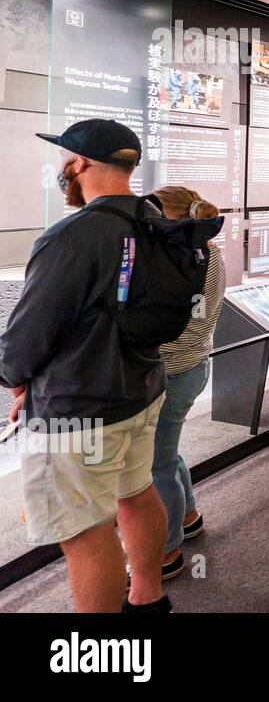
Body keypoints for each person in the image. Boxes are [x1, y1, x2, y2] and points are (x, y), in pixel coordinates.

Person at [0, 119, 171, 612]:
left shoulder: (71, 237)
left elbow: (31, 333)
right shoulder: (156, 221)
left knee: (82, 530)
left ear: (80, 164)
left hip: (77, 409)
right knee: (135, 493)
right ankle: (149, 598)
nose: (61, 169)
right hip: (140, 390)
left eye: (63, 160)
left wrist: (14, 378)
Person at [149, 186, 225, 582]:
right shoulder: (209, 252)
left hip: (171, 373)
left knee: (157, 464)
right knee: (168, 451)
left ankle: (167, 552)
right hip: (192, 367)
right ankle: (189, 517)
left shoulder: (184, 259)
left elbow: (166, 323)